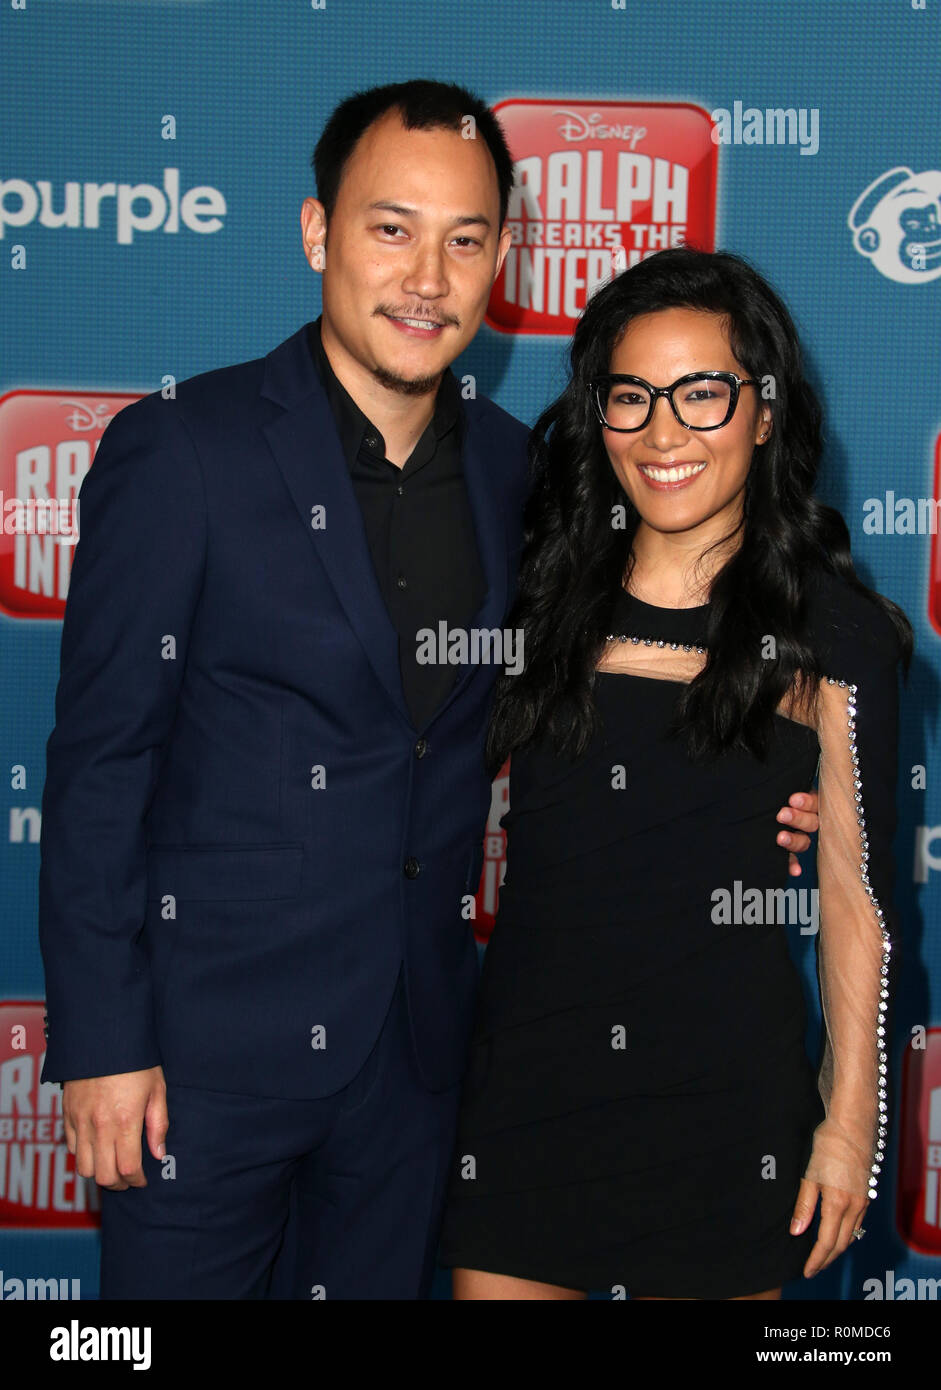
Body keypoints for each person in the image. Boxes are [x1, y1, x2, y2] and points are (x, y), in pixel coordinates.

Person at [37, 80, 820, 1300]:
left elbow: (644, 649)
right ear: (316, 235)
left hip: (419, 1069)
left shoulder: (525, 475)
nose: (427, 277)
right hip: (196, 1069)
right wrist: (101, 1047)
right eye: (389, 228)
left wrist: (789, 775)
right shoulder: (184, 447)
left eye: (464, 240)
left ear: (502, 257)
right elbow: (98, 766)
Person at [439, 246, 911, 1301]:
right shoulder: (535, 589)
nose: (662, 433)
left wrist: (849, 1123)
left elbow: (853, 898)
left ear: (761, 411)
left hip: (722, 1107)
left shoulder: (830, 629)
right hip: (528, 1094)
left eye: (700, 394)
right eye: (630, 395)